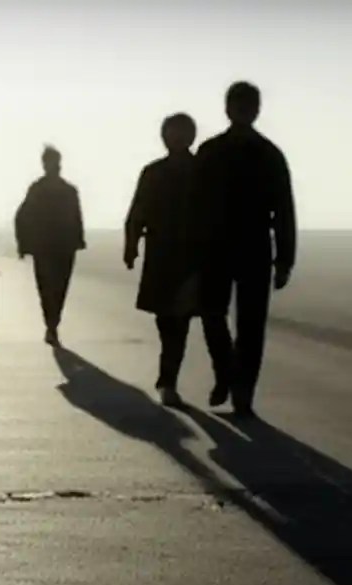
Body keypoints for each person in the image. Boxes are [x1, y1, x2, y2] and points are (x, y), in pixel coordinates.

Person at [194, 81, 297, 418]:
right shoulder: (209, 152)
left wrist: (284, 259)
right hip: (214, 244)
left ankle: (243, 393)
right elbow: (191, 204)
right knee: (212, 314)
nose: (242, 112)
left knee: (251, 324)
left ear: (256, 110)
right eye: (238, 105)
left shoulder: (269, 154)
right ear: (228, 109)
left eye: (247, 106)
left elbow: (284, 210)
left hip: (253, 244)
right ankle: (227, 372)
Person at [124, 114, 231, 408]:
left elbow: (222, 214)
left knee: (210, 322)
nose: (175, 140)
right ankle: (169, 381)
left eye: (180, 134)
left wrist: (132, 245)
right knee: (172, 325)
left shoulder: (206, 172)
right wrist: (131, 245)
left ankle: (222, 377)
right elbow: (137, 213)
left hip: (201, 259)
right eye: (171, 134)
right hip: (166, 259)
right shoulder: (154, 173)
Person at [15, 145, 85, 346]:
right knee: (49, 288)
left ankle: (52, 323)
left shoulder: (66, 190)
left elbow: (76, 217)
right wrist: (23, 243)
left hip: (58, 246)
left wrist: (78, 239)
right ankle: (52, 324)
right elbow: (22, 217)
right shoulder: (39, 189)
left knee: (57, 288)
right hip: (49, 247)